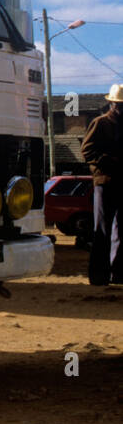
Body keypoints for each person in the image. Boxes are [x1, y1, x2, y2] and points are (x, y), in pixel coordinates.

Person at [81, 84, 123, 286]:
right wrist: (109, 161)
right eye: (119, 105)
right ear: (111, 104)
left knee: (121, 232)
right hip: (105, 182)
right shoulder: (100, 123)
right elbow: (87, 151)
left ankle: (118, 274)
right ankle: (99, 276)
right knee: (103, 231)